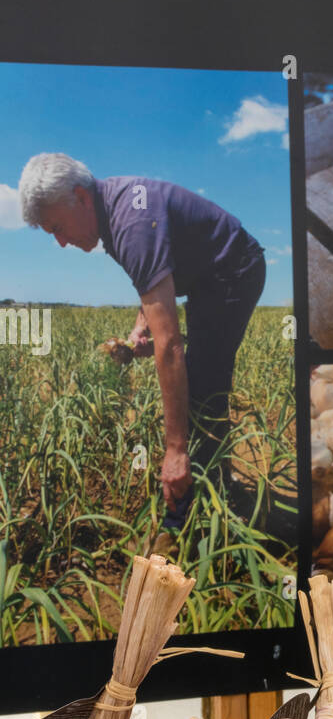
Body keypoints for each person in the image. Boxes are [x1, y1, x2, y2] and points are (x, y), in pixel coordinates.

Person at [19, 153, 265, 541]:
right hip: (205, 278)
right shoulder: (110, 211)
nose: (61, 242)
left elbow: (169, 348)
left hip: (233, 270)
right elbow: (151, 281)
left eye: (58, 227)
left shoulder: (129, 224)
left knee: (203, 388)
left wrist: (174, 450)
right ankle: (212, 494)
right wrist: (139, 329)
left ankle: (198, 514)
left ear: (81, 197)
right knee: (201, 388)